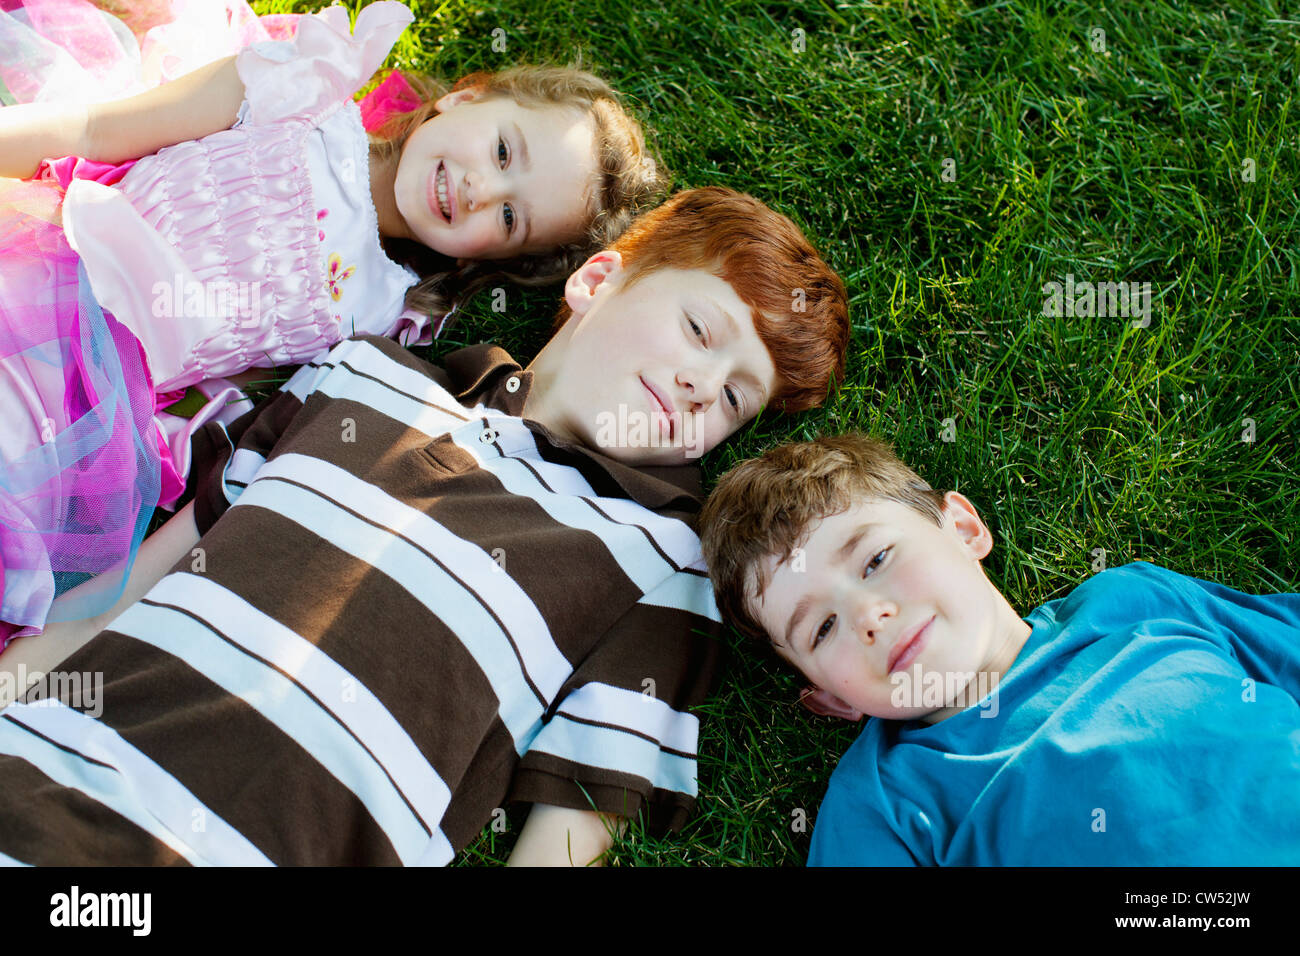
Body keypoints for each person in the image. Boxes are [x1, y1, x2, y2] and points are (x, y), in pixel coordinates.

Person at [0, 186, 851, 866]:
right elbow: (158, 568)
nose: (705, 384)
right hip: (42, 768)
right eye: (700, 331)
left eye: (737, 397)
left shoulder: (662, 551)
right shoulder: (360, 375)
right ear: (597, 280)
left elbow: (582, 809)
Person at [0, 0, 666, 645]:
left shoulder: (386, 316)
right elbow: (92, 129)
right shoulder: (298, 93)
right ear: (464, 99)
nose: (480, 191)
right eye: (500, 151)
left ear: (498, 255)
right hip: (41, 258)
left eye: (511, 217)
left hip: (87, 396)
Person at [698, 433, 1300, 865]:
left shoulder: (1133, 601)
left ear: (961, 527)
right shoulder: (883, 803)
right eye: (822, 629)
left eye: (876, 559)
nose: (867, 616)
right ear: (831, 699)